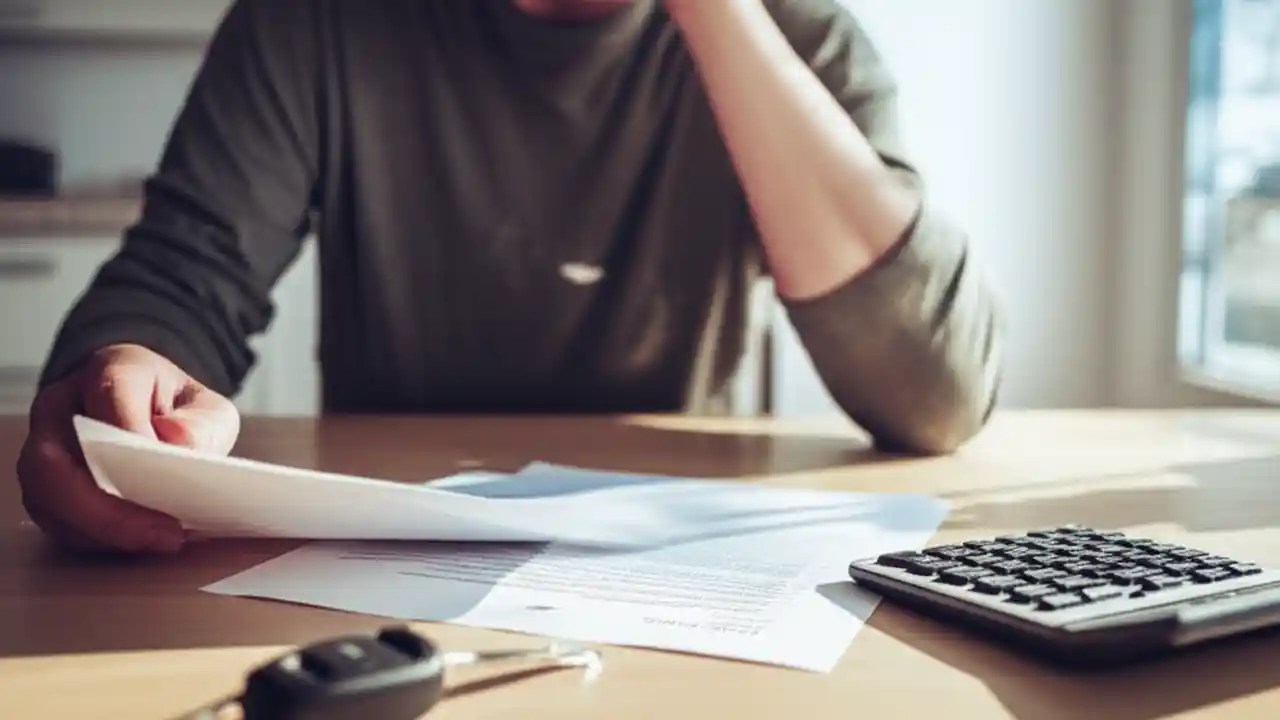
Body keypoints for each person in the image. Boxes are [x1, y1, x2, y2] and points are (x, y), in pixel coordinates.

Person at [16, 0, 1003, 555]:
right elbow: (183, 274)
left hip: (671, 567)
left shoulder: (794, 35)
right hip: (372, 562)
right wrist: (129, 378)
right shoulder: (314, 21)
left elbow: (935, 397)